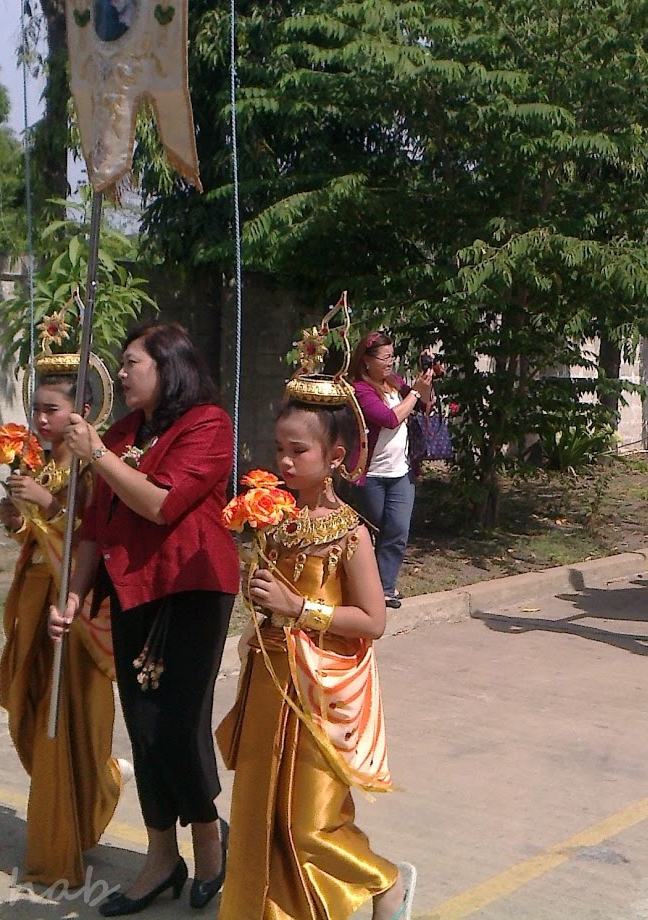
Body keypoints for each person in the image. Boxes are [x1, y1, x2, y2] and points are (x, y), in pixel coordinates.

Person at [49, 322, 235, 915]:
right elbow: (93, 527)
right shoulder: (123, 431)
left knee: (179, 725)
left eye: (133, 362)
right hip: (132, 590)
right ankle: (161, 856)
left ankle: (208, 838)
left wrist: (98, 456)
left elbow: (160, 504)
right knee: (144, 727)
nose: (122, 373)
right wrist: (73, 595)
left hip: (191, 589)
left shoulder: (207, 424)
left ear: (168, 366)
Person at [216, 384, 417, 920]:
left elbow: (373, 621)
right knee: (260, 810)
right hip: (269, 679)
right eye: (279, 448)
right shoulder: (274, 518)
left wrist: (299, 608)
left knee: (308, 822)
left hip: (320, 690)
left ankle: (385, 881)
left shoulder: (350, 532)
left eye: (298, 451)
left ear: (334, 457)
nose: (284, 461)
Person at [0, 372, 121, 888]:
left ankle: (73, 820)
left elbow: (93, 536)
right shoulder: (39, 463)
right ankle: (62, 810)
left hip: (73, 605)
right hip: (33, 596)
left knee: (70, 718)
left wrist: (47, 505)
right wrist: (16, 516)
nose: (41, 420)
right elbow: (36, 534)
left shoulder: (95, 467)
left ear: (83, 411)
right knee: (26, 704)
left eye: (52, 409)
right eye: (37, 409)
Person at [348, 331, 434, 609]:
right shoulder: (360, 389)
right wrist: (415, 394)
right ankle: (365, 586)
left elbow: (424, 403)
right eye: (385, 358)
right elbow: (389, 418)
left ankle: (384, 588)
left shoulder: (395, 383)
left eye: (392, 357)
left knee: (397, 530)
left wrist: (426, 382)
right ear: (367, 360)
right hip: (372, 473)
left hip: (401, 472)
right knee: (379, 529)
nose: (390, 363)